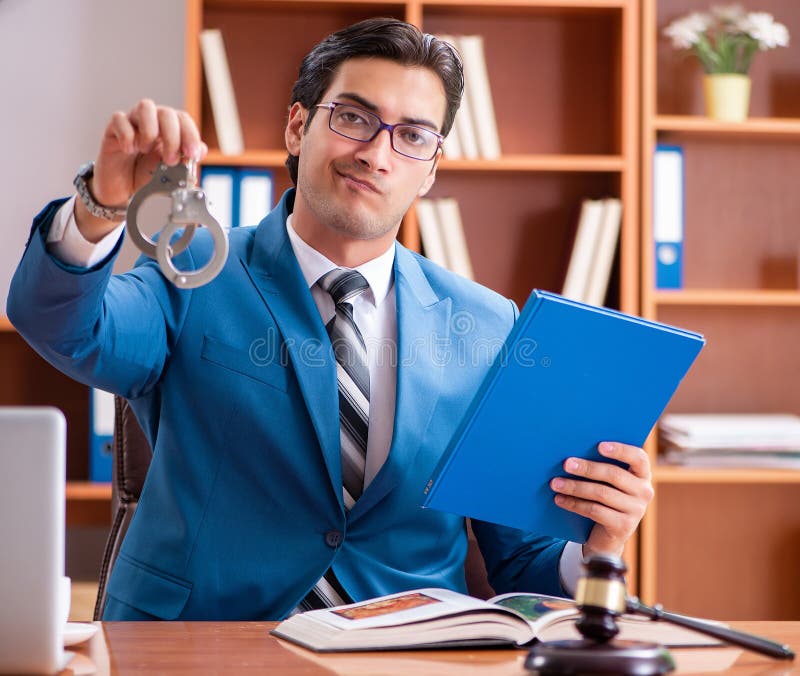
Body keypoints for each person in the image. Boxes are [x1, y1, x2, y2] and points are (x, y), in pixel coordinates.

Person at [7, 18, 653, 621]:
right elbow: (67, 327)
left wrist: (598, 543)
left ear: (430, 168)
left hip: (405, 656)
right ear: (296, 127)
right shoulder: (194, 270)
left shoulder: (486, 326)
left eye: (413, 136)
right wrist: (103, 205)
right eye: (353, 117)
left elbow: (519, 562)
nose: (378, 154)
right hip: (205, 644)